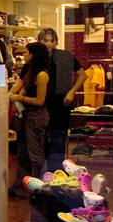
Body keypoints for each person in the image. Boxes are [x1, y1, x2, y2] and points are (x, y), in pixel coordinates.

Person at [36, 28, 84, 172]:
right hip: (41, 106)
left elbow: (82, 74)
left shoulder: (66, 56)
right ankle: (43, 176)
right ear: (39, 41)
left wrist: (72, 91)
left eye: (52, 41)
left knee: (58, 141)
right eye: (45, 41)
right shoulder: (36, 58)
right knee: (41, 143)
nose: (49, 44)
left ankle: (57, 175)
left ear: (56, 42)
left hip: (61, 105)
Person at [10, 42, 52, 179]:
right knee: (23, 152)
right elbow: (19, 86)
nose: (23, 55)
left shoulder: (41, 75)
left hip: (37, 115)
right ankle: (22, 185)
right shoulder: (29, 70)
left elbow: (40, 100)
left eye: (26, 52)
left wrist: (20, 98)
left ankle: (41, 186)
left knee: (36, 153)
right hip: (28, 114)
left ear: (32, 54)